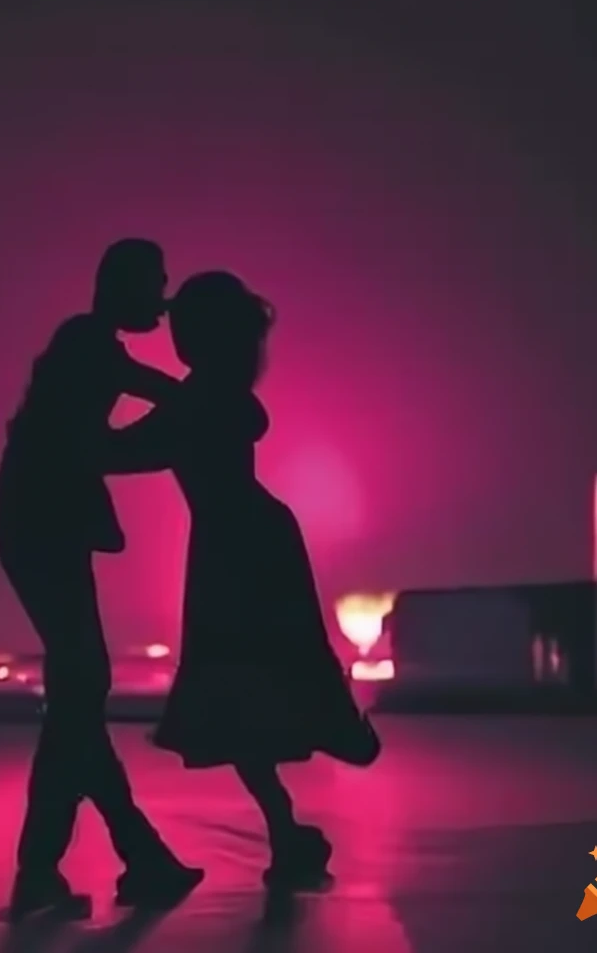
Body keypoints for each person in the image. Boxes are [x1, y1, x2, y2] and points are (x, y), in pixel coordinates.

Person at [98, 270, 381, 889]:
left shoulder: (193, 402)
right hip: (259, 535)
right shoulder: (214, 395)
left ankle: (297, 809)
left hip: (231, 547)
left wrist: (96, 395)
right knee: (258, 679)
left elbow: (118, 452)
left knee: (234, 689)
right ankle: (295, 814)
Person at [0, 239, 204, 919]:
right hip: (44, 528)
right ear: (127, 288)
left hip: (40, 526)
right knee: (81, 692)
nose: (163, 298)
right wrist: (200, 403)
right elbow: (144, 410)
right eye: (158, 286)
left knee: (78, 697)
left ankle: (67, 865)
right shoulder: (92, 346)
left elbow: (118, 431)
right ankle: (118, 854)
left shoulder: (86, 344)